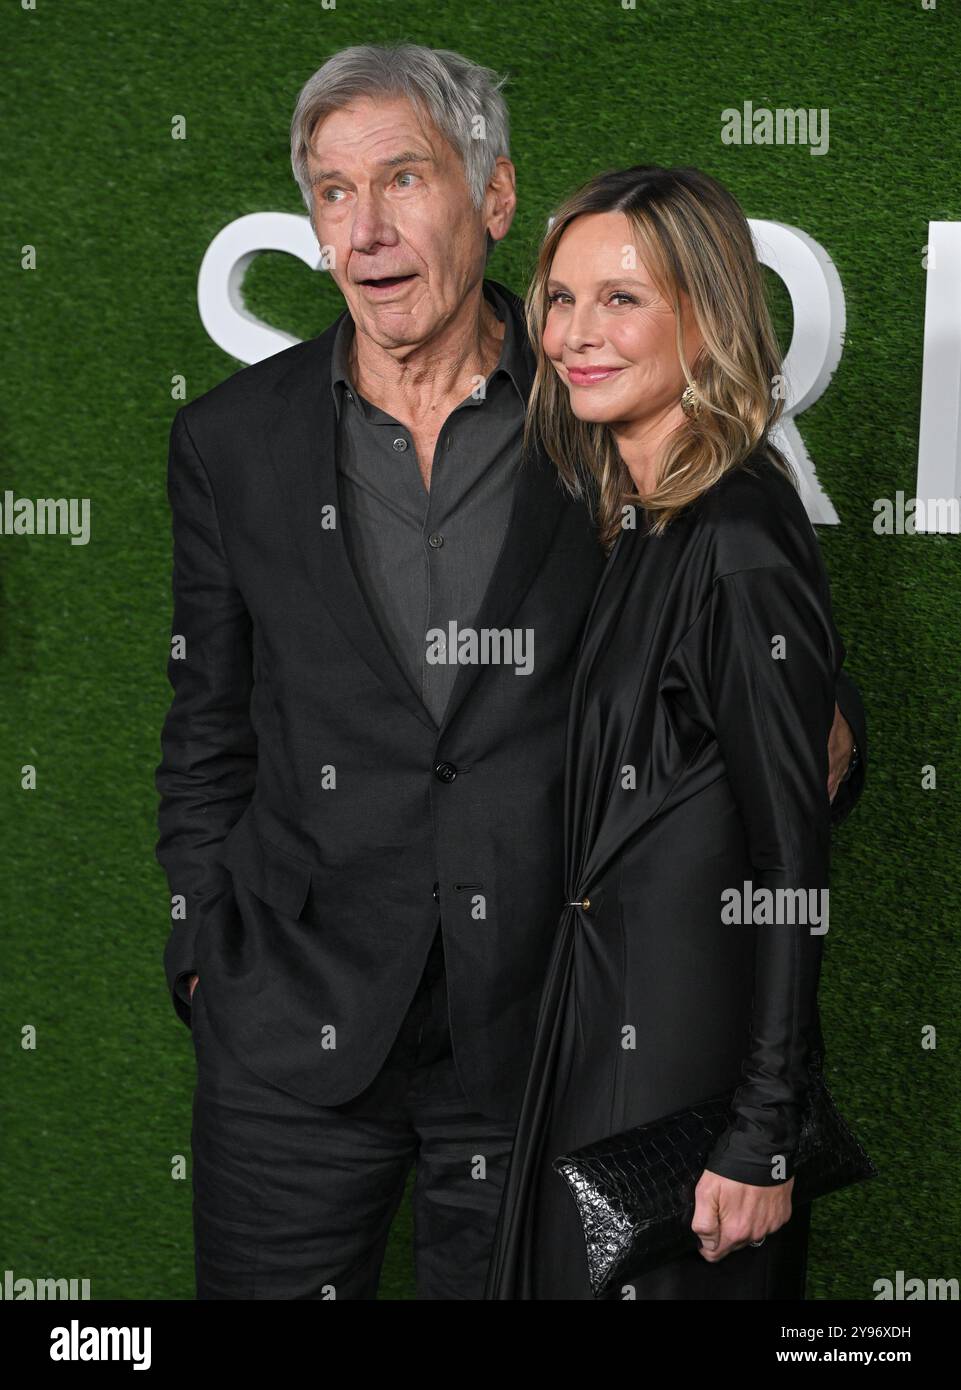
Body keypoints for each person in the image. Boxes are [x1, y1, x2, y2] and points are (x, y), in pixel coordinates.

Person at [155, 44, 863, 1300]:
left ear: (490, 200)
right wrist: (203, 947)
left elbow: (787, 713)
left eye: (403, 178)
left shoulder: (600, 415)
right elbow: (207, 721)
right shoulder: (230, 442)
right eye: (330, 191)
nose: (364, 229)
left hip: (539, 1040)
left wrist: (802, 751)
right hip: (290, 1028)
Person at [486, 165, 862, 1300]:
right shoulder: (646, 521)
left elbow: (791, 860)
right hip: (603, 1040)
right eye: (559, 298)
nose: (573, 334)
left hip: (688, 1087)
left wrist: (761, 1132)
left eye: (622, 299)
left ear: (705, 316)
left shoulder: (736, 530)